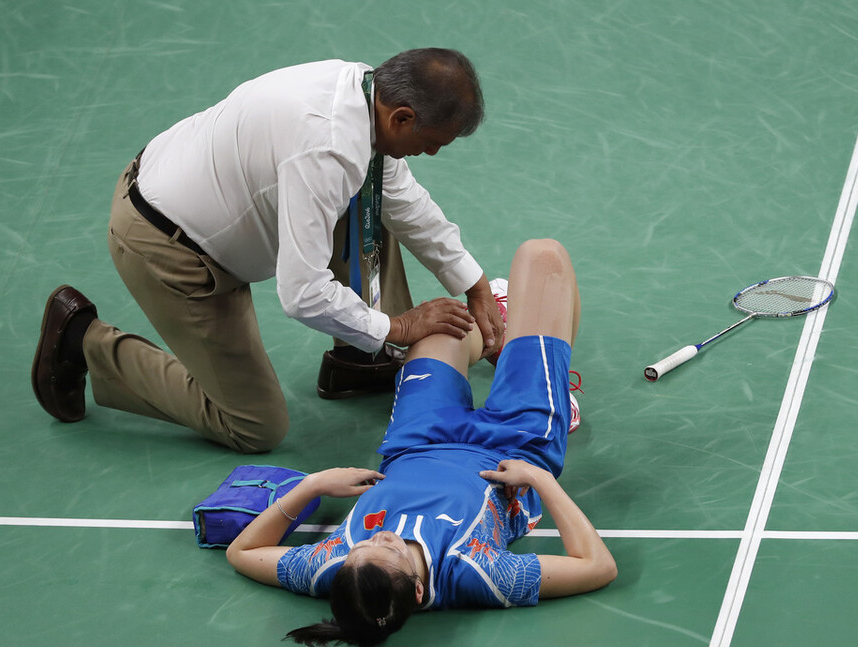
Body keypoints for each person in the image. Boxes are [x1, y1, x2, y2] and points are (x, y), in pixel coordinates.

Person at [31, 48, 505, 453]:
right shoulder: (326, 148)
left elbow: (402, 198)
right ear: (402, 117)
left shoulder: (365, 92)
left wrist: (475, 286)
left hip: (181, 185)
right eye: (432, 142)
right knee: (254, 425)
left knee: (370, 198)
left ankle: (361, 360)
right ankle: (83, 341)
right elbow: (302, 294)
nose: (432, 153)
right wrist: (398, 327)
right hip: (169, 247)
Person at [225, 239, 616, 647]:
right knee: (543, 256)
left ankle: (501, 334)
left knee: (445, 324)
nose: (379, 537)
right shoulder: (477, 574)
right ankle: (549, 384)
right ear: (417, 591)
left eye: (362, 545)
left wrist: (313, 485)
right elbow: (597, 566)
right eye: (390, 549)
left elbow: (242, 553)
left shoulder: (340, 568)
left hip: (416, 439)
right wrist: (539, 479)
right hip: (513, 445)